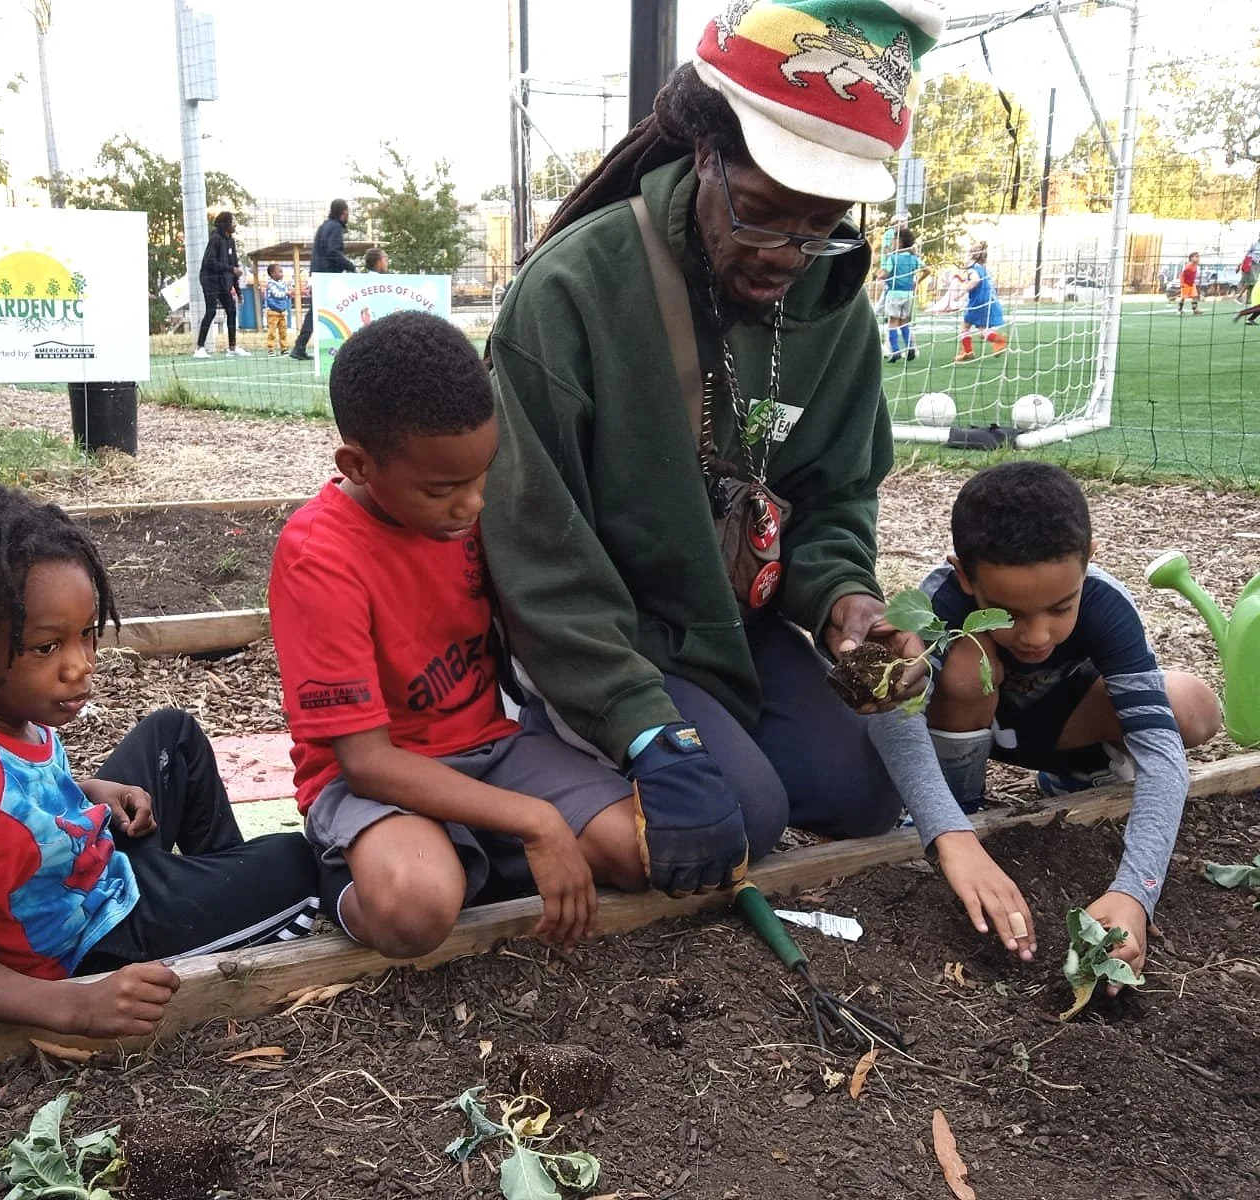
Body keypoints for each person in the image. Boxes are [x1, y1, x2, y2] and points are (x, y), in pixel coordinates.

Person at [482, 1, 966, 896]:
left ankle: (704, 735)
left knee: (864, 792)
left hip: (731, 627)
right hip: (600, 638)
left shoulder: (834, 302)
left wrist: (845, 601)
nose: (788, 255)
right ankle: (540, 735)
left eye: (821, 224)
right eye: (763, 215)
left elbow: (834, 496)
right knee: (736, 820)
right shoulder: (572, 290)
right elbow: (536, 554)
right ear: (706, 153)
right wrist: (636, 722)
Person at [268, 312, 648, 960]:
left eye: (483, 475)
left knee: (641, 851)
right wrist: (536, 819)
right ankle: (342, 881)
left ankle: (470, 854)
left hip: (489, 747)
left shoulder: (462, 512)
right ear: (358, 465)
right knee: (414, 912)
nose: (473, 505)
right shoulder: (319, 555)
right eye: (443, 488)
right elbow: (367, 762)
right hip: (374, 780)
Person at [0, 483, 321, 1036]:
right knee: (297, 862)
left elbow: (27, 801)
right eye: (47, 647)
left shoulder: (0, 715)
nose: (82, 664)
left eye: (86, 634)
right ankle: (232, 904)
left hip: (93, 869)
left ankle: (221, 886)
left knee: (172, 734)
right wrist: (73, 1006)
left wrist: (89, 791)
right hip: (92, 945)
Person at [924, 462, 1221, 982]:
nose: (1037, 635)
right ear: (966, 576)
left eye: (1060, 608)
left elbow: (1163, 758)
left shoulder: (1107, 604)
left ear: (1088, 562)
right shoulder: (937, 603)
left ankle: (1077, 775)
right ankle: (962, 803)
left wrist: (1135, 892)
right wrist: (947, 830)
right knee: (967, 667)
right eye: (1010, 614)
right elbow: (892, 724)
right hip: (970, 722)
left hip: (1056, 727)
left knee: (1191, 706)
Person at [290, 199, 356, 361]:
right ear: (344, 212)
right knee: (334, 309)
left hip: (317, 273)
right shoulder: (335, 228)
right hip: (327, 277)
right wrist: (349, 266)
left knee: (315, 311)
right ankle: (335, 345)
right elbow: (333, 251)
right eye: (347, 212)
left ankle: (300, 346)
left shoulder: (324, 226)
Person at [194, 211, 246, 359]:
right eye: (232, 222)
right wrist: (231, 269)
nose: (234, 225)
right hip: (210, 280)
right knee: (211, 311)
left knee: (231, 310)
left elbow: (234, 267)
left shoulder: (231, 241)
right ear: (226, 224)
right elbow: (210, 262)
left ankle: (232, 348)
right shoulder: (215, 238)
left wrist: (238, 291)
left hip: (223, 282)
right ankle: (199, 348)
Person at [954, 241, 1007, 363]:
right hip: (989, 301)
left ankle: (969, 351)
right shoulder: (984, 269)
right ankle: (996, 340)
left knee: (965, 327)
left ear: (972, 256)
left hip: (978, 302)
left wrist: (961, 292)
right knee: (982, 331)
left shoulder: (972, 269)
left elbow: (975, 280)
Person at [877, 226, 923, 363]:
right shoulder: (913, 258)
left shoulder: (893, 258)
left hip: (894, 293)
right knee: (904, 322)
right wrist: (917, 282)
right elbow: (927, 269)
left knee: (893, 322)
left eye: (894, 239)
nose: (892, 241)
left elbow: (884, 274)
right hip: (908, 294)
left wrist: (879, 274)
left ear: (900, 241)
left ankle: (895, 351)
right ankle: (910, 347)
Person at [263, 263, 292, 355]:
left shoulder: (283, 283)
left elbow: (285, 294)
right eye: (279, 271)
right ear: (272, 274)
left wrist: (288, 295)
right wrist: (286, 294)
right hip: (273, 312)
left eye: (281, 271)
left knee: (283, 331)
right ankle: (270, 348)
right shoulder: (271, 284)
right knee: (272, 332)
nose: (281, 273)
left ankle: (284, 348)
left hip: (282, 311)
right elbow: (276, 294)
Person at [1176, 251, 1201, 317]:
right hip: (1186, 284)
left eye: (1198, 257)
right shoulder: (1188, 266)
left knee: (1194, 296)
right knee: (1183, 297)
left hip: (1192, 284)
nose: (1198, 258)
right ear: (1191, 258)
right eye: (1196, 257)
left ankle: (1195, 310)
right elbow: (1182, 275)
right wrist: (1182, 283)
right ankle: (1179, 310)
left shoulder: (1195, 266)